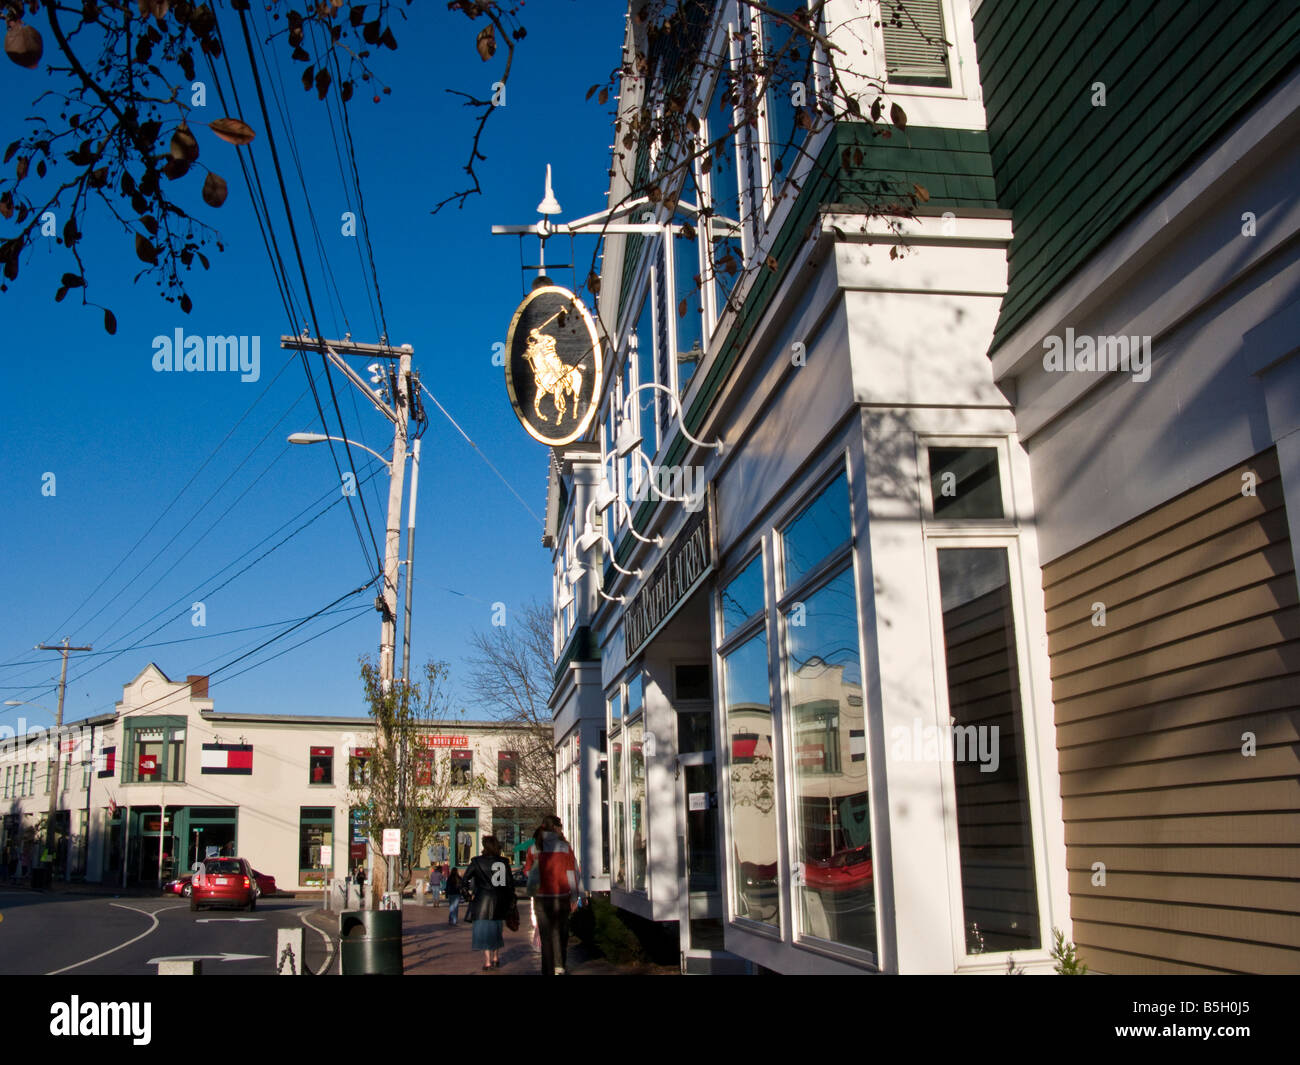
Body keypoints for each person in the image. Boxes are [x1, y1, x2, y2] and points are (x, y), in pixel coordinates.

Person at [524, 814, 580, 976]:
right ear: (556, 828)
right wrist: (575, 896)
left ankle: (547, 969)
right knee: (561, 932)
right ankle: (560, 965)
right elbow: (572, 873)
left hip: (541, 899)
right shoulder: (564, 847)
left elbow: (528, 872)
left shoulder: (534, 848)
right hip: (561, 896)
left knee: (546, 935)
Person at [462, 836, 515, 970]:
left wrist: (467, 896)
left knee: (484, 931)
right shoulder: (504, 862)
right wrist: (511, 901)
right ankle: (496, 956)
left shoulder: (477, 861)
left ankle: (487, 961)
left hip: (482, 900)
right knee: (497, 929)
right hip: (500, 900)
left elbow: (464, 881)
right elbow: (510, 884)